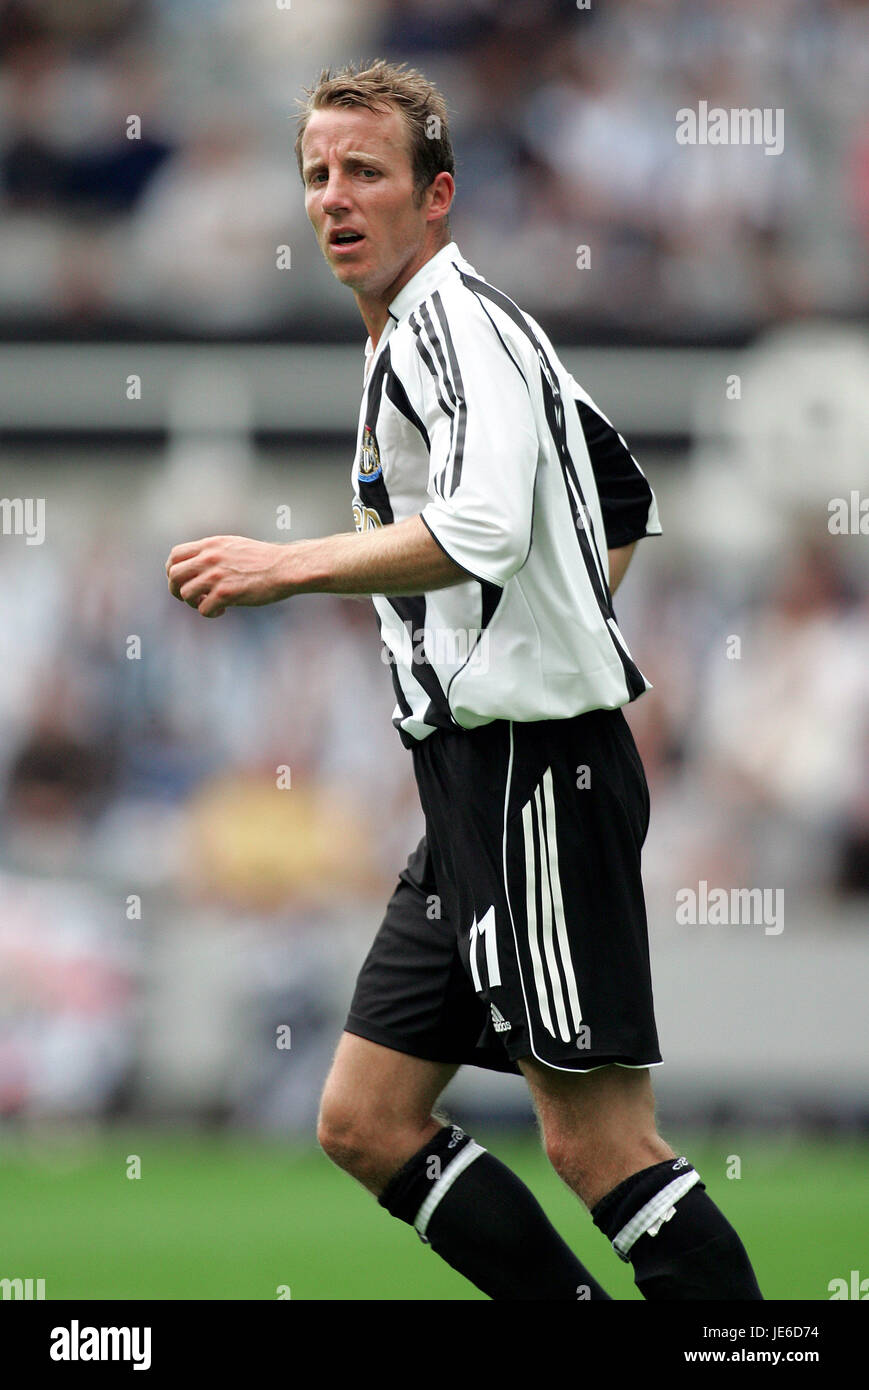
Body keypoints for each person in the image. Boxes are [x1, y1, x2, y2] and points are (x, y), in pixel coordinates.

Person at [166, 60, 763, 1302]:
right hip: (470, 781)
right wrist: (548, 620)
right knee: (365, 1118)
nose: (334, 197)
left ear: (435, 195)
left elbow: (483, 527)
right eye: (317, 174)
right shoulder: (422, 331)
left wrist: (286, 566)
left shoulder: (457, 325)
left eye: (365, 172)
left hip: (538, 772)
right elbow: (618, 493)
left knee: (599, 1145)